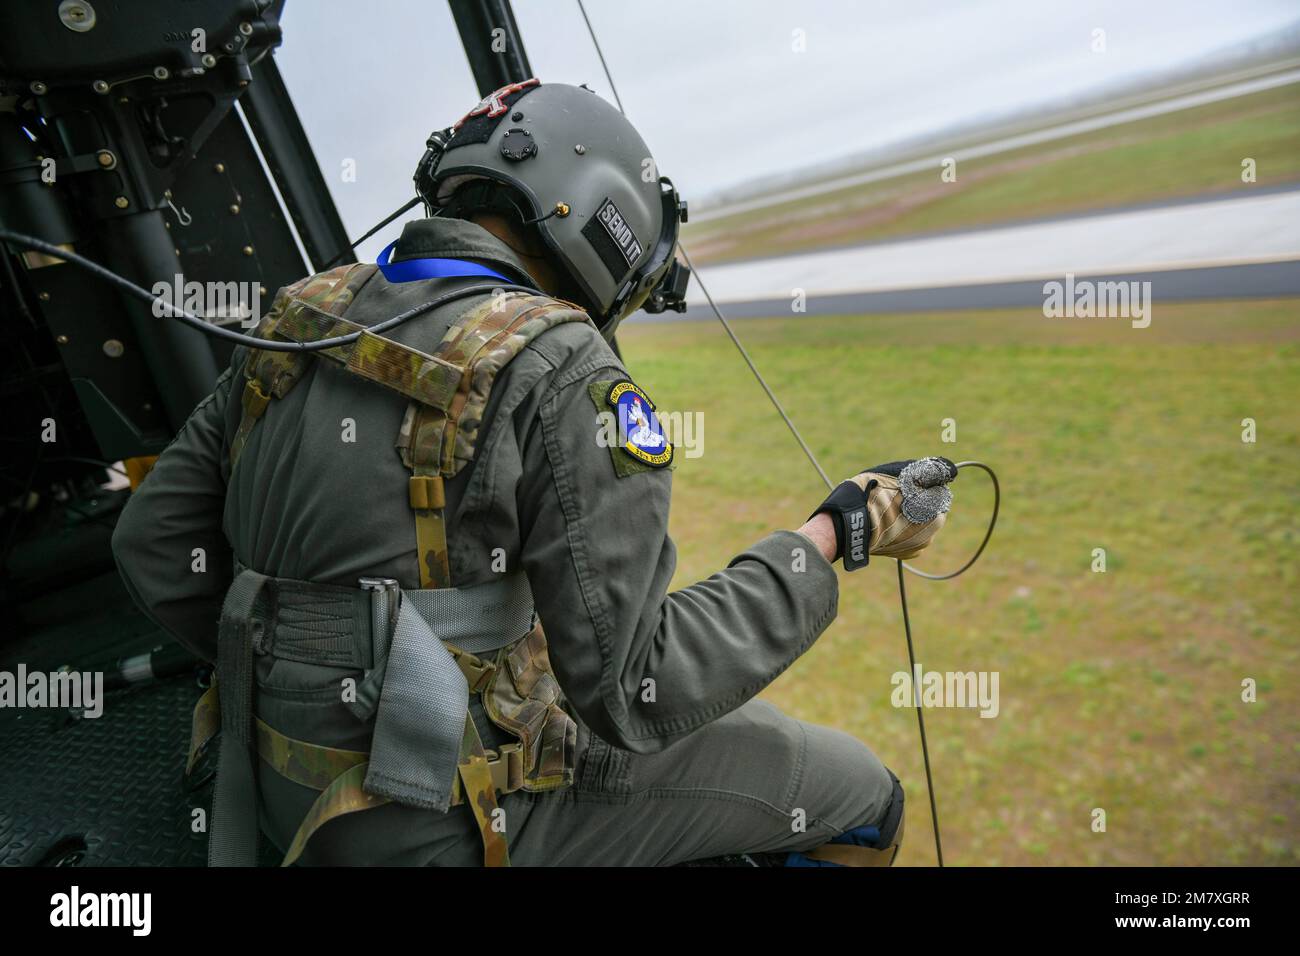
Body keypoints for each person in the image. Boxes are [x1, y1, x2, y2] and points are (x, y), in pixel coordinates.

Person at [112, 79, 955, 867]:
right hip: (439, 813)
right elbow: (636, 689)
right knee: (859, 795)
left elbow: (154, 547)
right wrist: (838, 532)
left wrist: (306, 673)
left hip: (275, 793)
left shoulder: (303, 315)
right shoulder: (558, 363)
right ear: (602, 218)